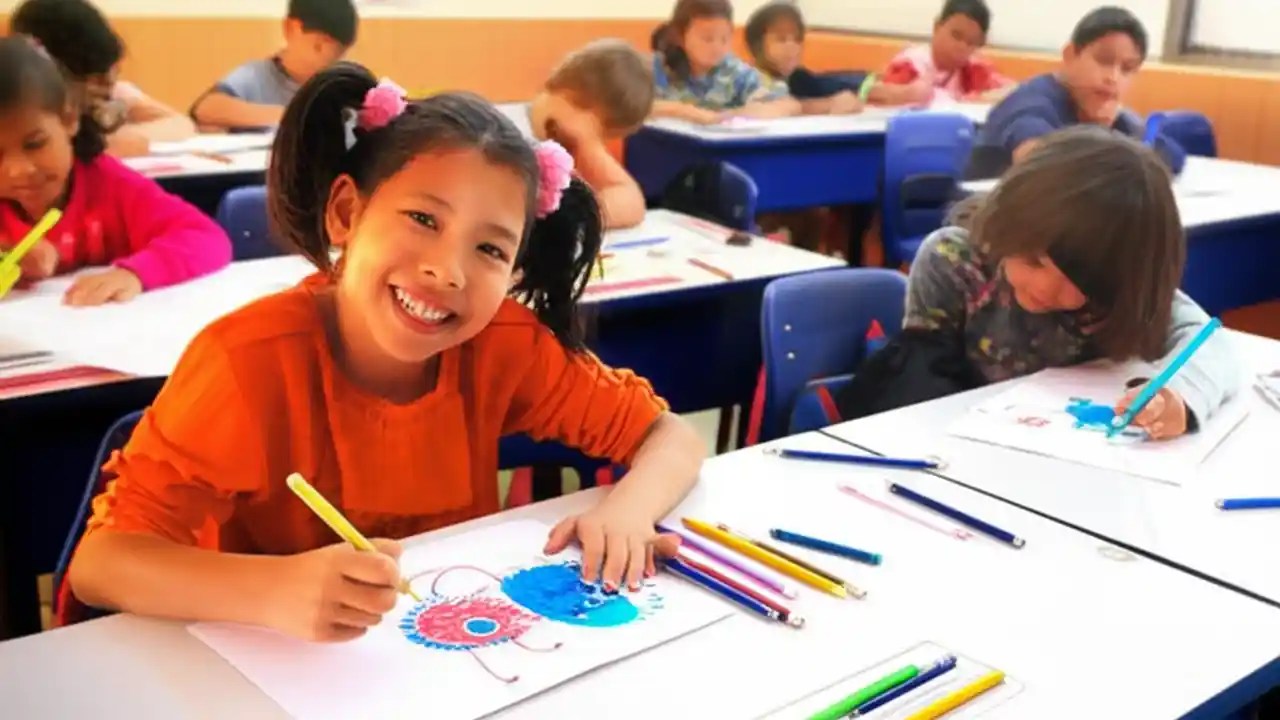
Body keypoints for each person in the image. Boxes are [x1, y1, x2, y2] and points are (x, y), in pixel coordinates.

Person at [66, 63, 705, 640]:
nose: (448, 271)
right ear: (347, 213)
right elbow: (102, 564)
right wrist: (271, 590)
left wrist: (626, 511)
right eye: (423, 219)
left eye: (489, 250)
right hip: (268, 668)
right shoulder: (246, 362)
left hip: (440, 656)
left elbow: (670, 437)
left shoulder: (500, 341)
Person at [907, 126, 1236, 439]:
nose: (1047, 290)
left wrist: (1179, 395)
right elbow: (918, 386)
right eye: (1033, 261)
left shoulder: (1119, 285)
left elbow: (1209, 343)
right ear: (1006, 222)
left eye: (1077, 280)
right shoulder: (954, 261)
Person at [0, 37, 230, 305]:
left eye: (35, 144)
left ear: (69, 119)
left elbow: (206, 238)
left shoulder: (112, 186)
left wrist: (135, 273)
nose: (18, 170)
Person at [971, 6, 1184, 175]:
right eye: (1104, 60)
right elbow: (1038, 165)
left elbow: (1170, 158)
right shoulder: (1032, 103)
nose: (1113, 78)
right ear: (1070, 55)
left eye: (1127, 69)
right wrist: (1101, 139)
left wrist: (1111, 131)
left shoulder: (1111, 115)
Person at [9, 0, 197, 157]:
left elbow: (180, 123)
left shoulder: (115, 94)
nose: (107, 85)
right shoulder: (16, 104)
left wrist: (117, 141)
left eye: (111, 72)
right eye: (96, 78)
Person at [525, 39, 654, 229]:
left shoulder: (564, 140)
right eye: (598, 134)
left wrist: (579, 218)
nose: (589, 147)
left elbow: (631, 200)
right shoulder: (504, 133)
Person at [189, 0, 358, 131]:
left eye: (338, 54)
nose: (325, 60)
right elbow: (205, 109)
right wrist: (289, 116)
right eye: (318, 47)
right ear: (290, 29)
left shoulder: (340, 84)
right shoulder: (254, 76)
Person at [651, 0, 799, 124]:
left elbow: (789, 105)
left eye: (725, 39)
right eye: (707, 39)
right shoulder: (657, 67)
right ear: (681, 37)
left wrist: (737, 115)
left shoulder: (735, 72)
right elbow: (635, 109)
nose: (717, 47)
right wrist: (687, 112)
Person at [874, 0, 1012, 106]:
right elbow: (873, 96)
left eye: (971, 42)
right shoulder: (910, 64)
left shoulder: (973, 70)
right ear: (937, 27)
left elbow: (1015, 91)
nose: (962, 46)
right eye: (956, 36)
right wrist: (907, 94)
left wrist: (982, 98)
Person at [744, 2, 864, 115]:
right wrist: (828, 104)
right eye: (781, 39)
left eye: (797, 39)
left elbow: (826, 83)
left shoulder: (798, 78)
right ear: (757, 45)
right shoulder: (747, 80)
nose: (791, 47)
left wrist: (866, 88)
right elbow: (777, 104)